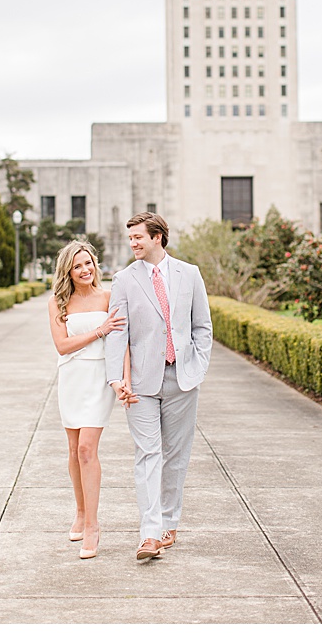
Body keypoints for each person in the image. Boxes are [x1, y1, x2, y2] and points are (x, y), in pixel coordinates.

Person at [105, 211, 212, 562]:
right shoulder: (123, 279)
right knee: (148, 454)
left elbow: (202, 328)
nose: (132, 243)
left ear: (157, 237)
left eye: (138, 237)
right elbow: (118, 331)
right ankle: (149, 534)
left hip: (182, 378)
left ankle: (170, 523)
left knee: (177, 456)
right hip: (140, 383)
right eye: (130, 237)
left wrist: (197, 366)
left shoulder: (190, 274)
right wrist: (116, 378)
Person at [48, 240, 125, 560]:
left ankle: (92, 525)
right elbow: (62, 346)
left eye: (89, 263)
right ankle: (79, 512)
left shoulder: (108, 297)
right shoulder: (57, 302)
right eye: (78, 265)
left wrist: (123, 380)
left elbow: (123, 342)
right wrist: (99, 330)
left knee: (86, 449)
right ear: (68, 270)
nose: (85, 270)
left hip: (98, 379)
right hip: (71, 376)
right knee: (72, 449)